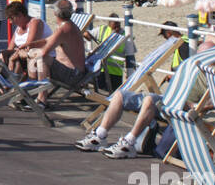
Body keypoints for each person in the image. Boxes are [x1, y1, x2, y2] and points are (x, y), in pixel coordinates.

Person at [75, 22, 190, 154]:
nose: (165, 38)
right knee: (119, 94)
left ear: (169, 33)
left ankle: (129, 143)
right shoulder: (182, 46)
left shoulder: (184, 47)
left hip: (177, 101)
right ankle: (100, 136)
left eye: (164, 35)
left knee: (149, 100)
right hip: (169, 95)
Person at [22, 0, 87, 103]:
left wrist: (27, 53)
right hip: (73, 72)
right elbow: (47, 40)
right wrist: (30, 44)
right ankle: (32, 91)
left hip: (72, 75)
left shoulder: (63, 29)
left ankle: (41, 99)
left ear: (55, 13)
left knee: (41, 58)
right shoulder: (68, 26)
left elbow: (44, 52)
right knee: (36, 55)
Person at [3, 0, 47, 78]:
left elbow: (30, 46)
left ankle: (15, 86)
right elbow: (10, 49)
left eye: (11, 18)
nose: (10, 22)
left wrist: (13, 57)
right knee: (4, 55)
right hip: (28, 57)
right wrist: (7, 56)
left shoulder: (35, 22)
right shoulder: (18, 28)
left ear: (20, 15)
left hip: (43, 57)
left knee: (21, 59)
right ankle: (8, 85)